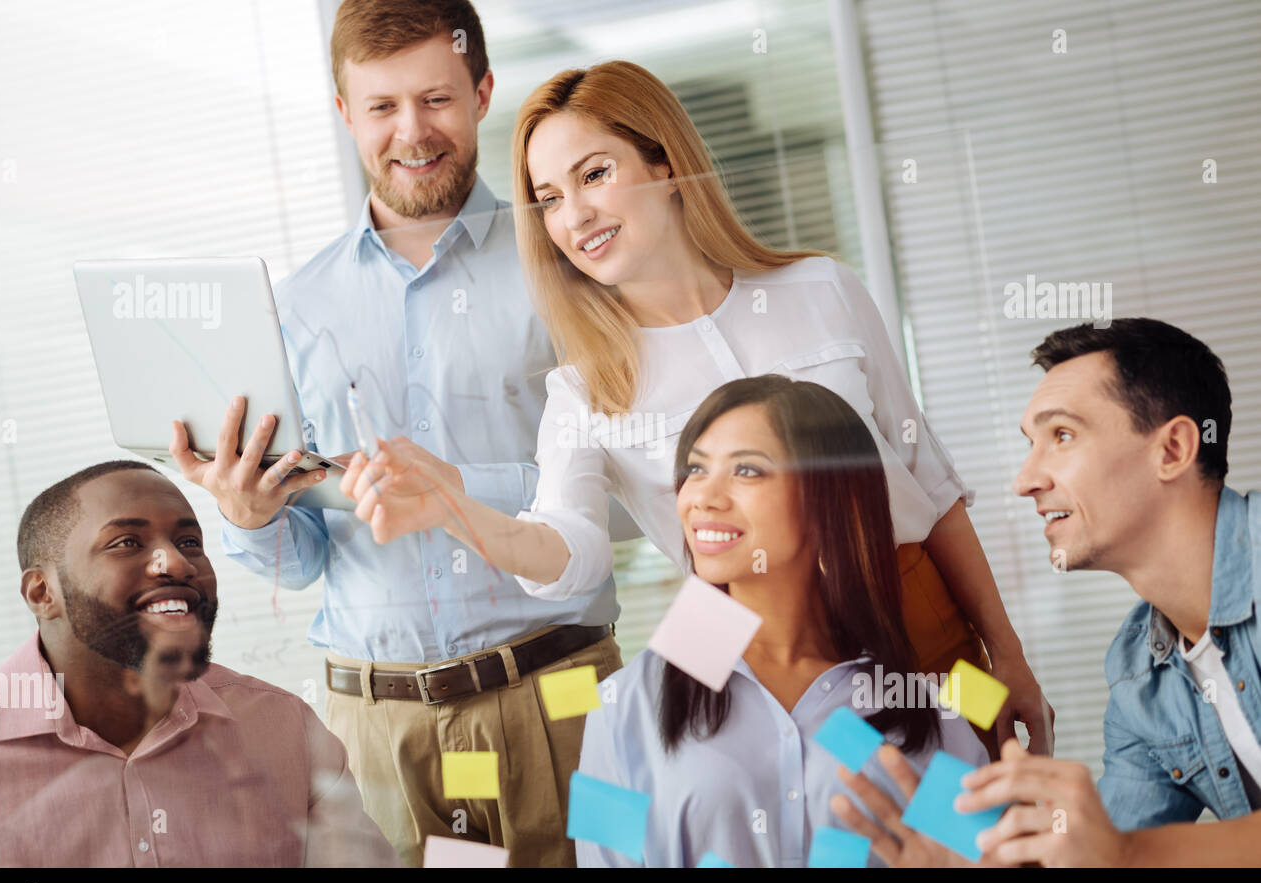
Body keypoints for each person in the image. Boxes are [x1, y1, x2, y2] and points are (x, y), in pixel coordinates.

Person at [342, 59, 1051, 757]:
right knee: (837, 844)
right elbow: (567, 551)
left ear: (664, 164)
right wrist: (453, 510)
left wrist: (1008, 653)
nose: (576, 215)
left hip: (924, 621)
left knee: (972, 832)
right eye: (549, 197)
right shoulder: (586, 388)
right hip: (764, 665)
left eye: (595, 174)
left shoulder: (821, 289)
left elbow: (929, 479)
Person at [168, 0, 624, 868]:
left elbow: (626, 505)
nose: (412, 132)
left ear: (484, 90)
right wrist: (248, 515)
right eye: (381, 107)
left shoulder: (570, 261)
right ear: (345, 113)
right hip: (383, 731)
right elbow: (303, 560)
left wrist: (449, 491)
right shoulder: (297, 307)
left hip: (561, 697)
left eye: (437, 99)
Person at [840, 318, 1261, 867]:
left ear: (1174, 448)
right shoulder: (1140, 672)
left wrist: (1128, 853)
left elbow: (1121, 853)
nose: (1025, 479)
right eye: (1031, 444)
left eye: (1061, 436)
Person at [572, 376, 986, 866]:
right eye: (696, 469)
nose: (702, 496)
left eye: (747, 470)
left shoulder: (922, 712)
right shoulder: (625, 706)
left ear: (832, 497)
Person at [0, 461, 399, 867]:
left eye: (189, 542)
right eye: (127, 543)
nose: (176, 562)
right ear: (42, 593)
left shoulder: (285, 728)